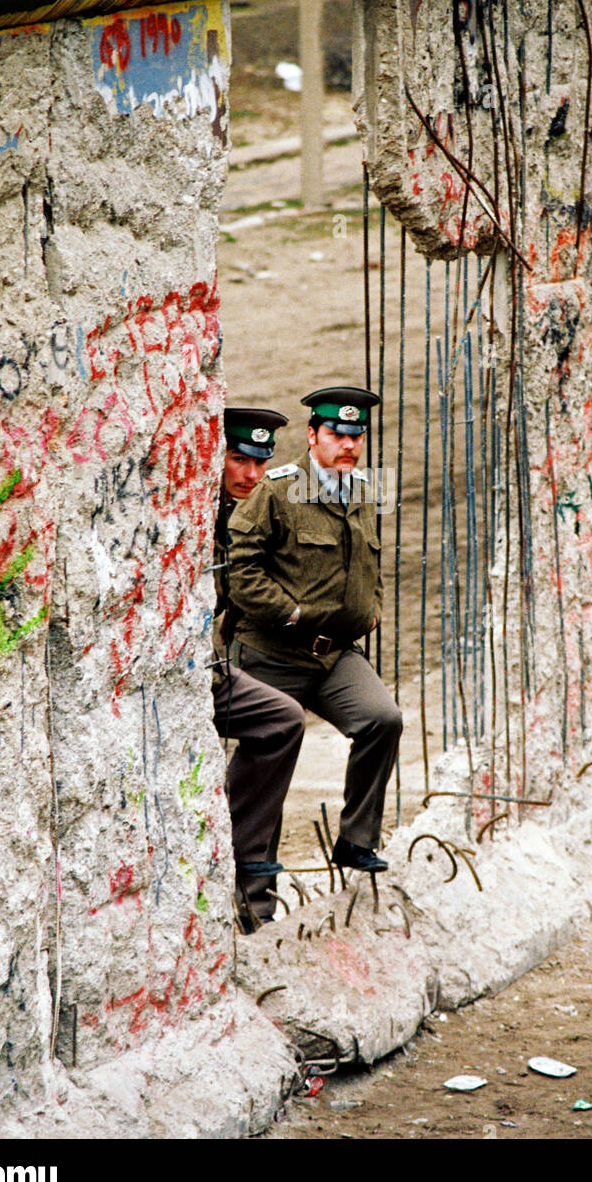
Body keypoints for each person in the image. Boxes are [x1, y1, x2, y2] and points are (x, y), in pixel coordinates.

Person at [227, 386, 403, 872]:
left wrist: (373, 611)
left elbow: (371, 562)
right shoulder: (277, 490)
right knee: (270, 767)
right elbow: (242, 570)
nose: (348, 445)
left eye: (357, 436)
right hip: (272, 652)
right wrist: (289, 613)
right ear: (312, 436)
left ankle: (356, 840)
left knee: (382, 720)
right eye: (336, 435)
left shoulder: (365, 492)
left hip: (333, 657)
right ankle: (255, 888)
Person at [212, 407, 306, 930]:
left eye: (260, 463)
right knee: (277, 719)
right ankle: (241, 869)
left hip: (233, 658)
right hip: (199, 668)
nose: (250, 475)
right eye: (237, 460)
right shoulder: (196, 512)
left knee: (282, 720)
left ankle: (249, 877)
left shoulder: (259, 511)